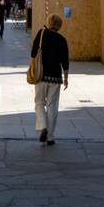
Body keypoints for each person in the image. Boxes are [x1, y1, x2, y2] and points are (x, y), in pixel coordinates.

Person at [30, 14, 69, 144]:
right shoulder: (62, 40)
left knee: (39, 102)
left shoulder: (42, 34)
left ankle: (43, 127)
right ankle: (50, 137)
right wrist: (66, 78)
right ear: (59, 25)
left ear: (48, 22)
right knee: (52, 107)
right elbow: (65, 62)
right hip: (56, 78)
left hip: (41, 76)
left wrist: (32, 68)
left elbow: (33, 53)